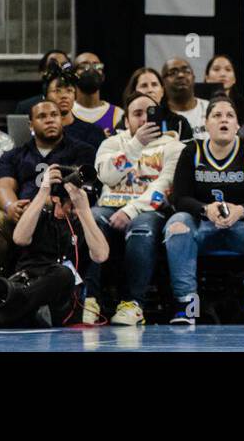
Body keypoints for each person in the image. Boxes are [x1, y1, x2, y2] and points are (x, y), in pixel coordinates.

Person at [165, 97, 244, 326]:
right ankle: (187, 305)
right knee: (177, 222)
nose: (223, 120)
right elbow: (180, 198)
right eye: (217, 115)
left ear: (238, 125)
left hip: (242, 231)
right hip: (203, 229)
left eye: (229, 115)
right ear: (206, 124)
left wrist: (241, 211)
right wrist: (205, 209)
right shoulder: (192, 151)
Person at [0, 164, 109, 330]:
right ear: (57, 198)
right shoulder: (40, 214)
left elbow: (101, 255)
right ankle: (16, 313)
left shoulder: (84, 223)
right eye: (69, 200)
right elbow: (20, 238)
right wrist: (43, 191)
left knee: (63, 274)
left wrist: (84, 209)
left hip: (52, 291)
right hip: (20, 284)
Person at [92, 91, 188, 326]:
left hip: (148, 210)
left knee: (141, 228)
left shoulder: (174, 147)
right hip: (108, 206)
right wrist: (136, 145)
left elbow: (164, 186)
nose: (144, 119)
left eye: (150, 113)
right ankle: (89, 299)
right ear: (126, 121)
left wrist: (130, 211)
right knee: (91, 220)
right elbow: (106, 175)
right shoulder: (111, 143)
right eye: (137, 114)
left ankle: (133, 303)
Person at [0, 100, 96, 273]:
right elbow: (3, 185)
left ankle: (86, 288)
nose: (49, 120)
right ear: (30, 124)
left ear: (62, 120)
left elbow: (85, 188)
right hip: (22, 215)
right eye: (42, 116)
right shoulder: (14, 155)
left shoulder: (82, 151)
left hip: (63, 215)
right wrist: (11, 206)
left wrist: (41, 205)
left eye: (54, 115)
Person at [69, 53, 124, 135]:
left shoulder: (118, 114)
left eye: (97, 66)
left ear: (103, 76)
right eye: (84, 66)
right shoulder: (66, 112)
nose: (91, 70)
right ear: (73, 76)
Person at [161, 58, 208, 135]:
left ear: (193, 78)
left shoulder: (210, 108)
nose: (181, 75)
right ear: (163, 82)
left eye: (186, 71)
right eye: (173, 73)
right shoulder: (160, 116)